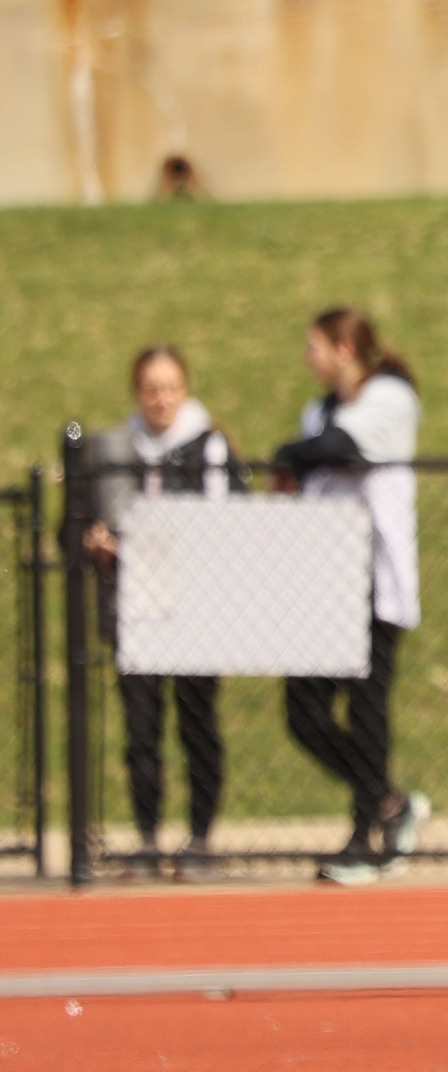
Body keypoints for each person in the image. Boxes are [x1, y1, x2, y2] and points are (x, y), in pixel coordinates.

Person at [273, 307, 430, 886]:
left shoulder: (391, 397)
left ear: (344, 349)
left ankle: (366, 834)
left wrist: (291, 453)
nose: (307, 358)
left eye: (314, 346)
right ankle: (388, 801)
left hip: (372, 579)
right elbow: (313, 461)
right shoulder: (316, 410)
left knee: (366, 711)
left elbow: (342, 449)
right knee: (303, 712)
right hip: (323, 579)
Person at [81, 345, 247, 880]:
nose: (161, 399)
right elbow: (88, 521)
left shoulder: (210, 446)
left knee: (198, 725)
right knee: (142, 730)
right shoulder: (117, 449)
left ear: (186, 387)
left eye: (171, 386)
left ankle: (201, 838)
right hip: (138, 607)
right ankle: (148, 839)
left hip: (197, 605)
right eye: (151, 388)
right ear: (137, 393)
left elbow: (227, 526)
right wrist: (101, 545)